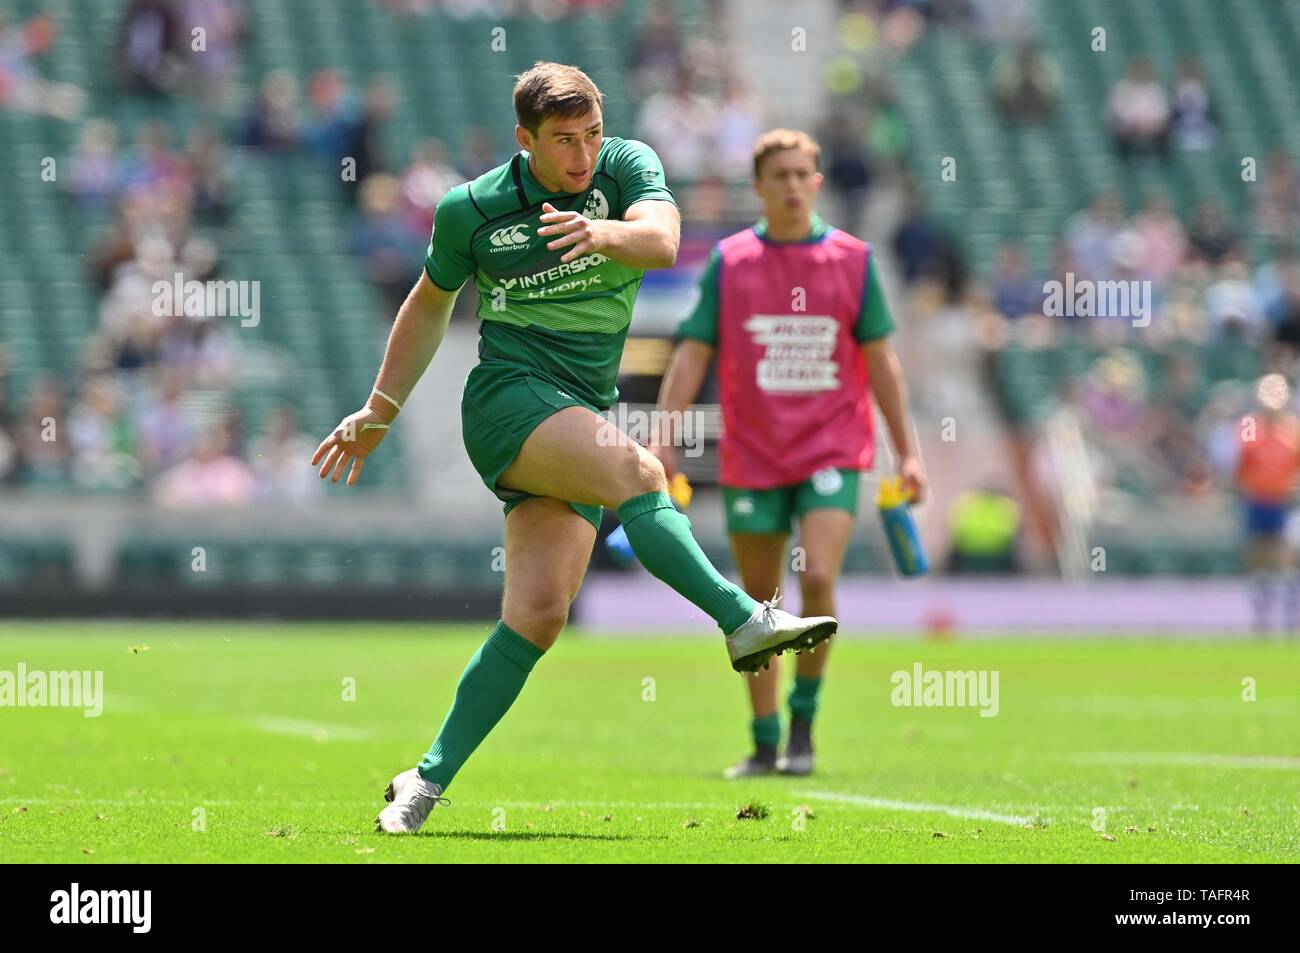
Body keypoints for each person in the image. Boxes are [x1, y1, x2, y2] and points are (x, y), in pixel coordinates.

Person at [310, 63, 838, 833]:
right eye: (563, 141)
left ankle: (421, 781)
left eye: (591, 132)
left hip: (577, 409)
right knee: (639, 469)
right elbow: (429, 303)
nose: (583, 153)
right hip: (507, 401)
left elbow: (662, 242)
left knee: (537, 616)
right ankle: (740, 619)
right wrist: (380, 407)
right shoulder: (474, 210)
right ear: (525, 141)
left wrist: (600, 231)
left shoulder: (625, 168)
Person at [653, 129, 925, 777]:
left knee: (821, 575)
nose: (794, 186)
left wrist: (907, 451)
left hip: (833, 445)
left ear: (819, 182)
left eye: (804, 174)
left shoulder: (854, 260)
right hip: (753, 452)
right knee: (757, 602)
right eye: (781, 176)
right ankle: (764, 739)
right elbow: (693, 351)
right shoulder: (731, 261)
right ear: (760, 186)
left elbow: (881, 361)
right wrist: (663, 437)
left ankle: (804, 723)